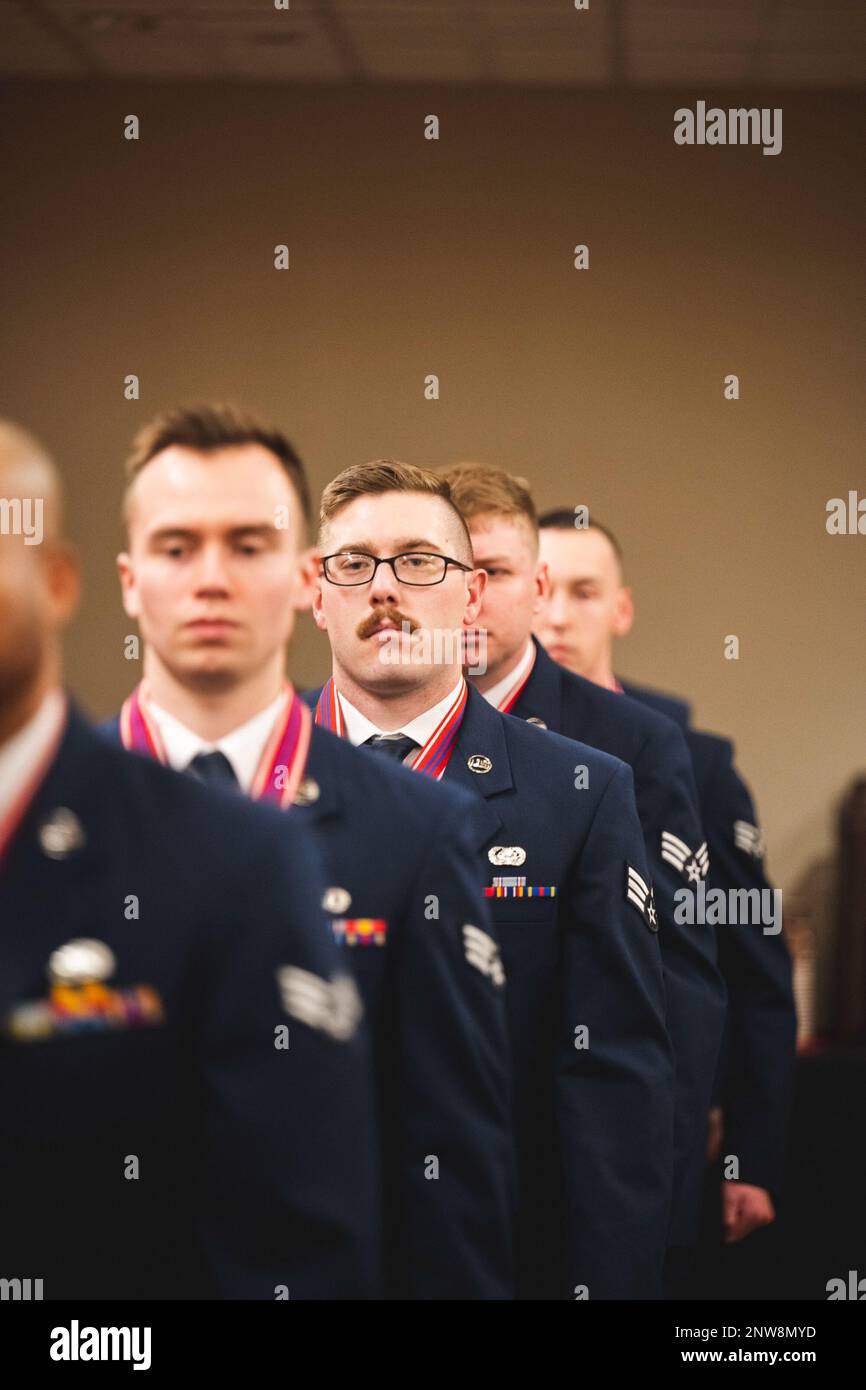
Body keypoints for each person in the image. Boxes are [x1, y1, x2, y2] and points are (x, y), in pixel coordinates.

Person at [103, 404, 514, 1299]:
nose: (211, 578)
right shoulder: (40, 814)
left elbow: (450, 1169)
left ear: (300, 580)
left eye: (247, 545)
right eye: (178, 548)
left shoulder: (419, 830)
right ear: (131, 581)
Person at [0, 418, 378, 1300]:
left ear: (59, 581)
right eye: (179, 546)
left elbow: (296, 1234)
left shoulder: (232, 857)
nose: (211, 578)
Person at [308, 457, 674, 1301]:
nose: (386, 590)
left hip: (508, 1261)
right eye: (355, 564)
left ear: (471, 596)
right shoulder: (243, 787)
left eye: (420, 563)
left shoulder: (583, 793)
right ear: (316, 592)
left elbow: (615, 1082)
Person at [439, 463, 727, 1264]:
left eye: (490, 573)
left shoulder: (632, 742)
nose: (468, 597)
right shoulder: (370, 737)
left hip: (563, 1172)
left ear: (535, 586)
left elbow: (679, 988)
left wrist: (645, 1202)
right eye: (449, 571)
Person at [535, 509, 796, 1255]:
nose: (558, 614)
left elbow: (755, 970)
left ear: (622, 608)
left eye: (584, 592)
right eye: (544, 588)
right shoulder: (474, 751)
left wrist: (753, 1152)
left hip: (663, 1136)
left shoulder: (693, 761)